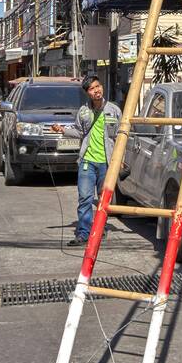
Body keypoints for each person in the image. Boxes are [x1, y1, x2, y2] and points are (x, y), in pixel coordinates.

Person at [52, 74, 121, 248]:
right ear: (87, 93)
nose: (96, 90)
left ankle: (100, 229)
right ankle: (83, 233)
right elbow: (79, 132)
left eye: (98, 86)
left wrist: (120, 159)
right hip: (87, 161)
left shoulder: (114, 110)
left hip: (106, 162)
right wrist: (62, 130)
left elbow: (122, 137)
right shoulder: (83, 111)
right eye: (92, 89)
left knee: (103, 199)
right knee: (84, 198)